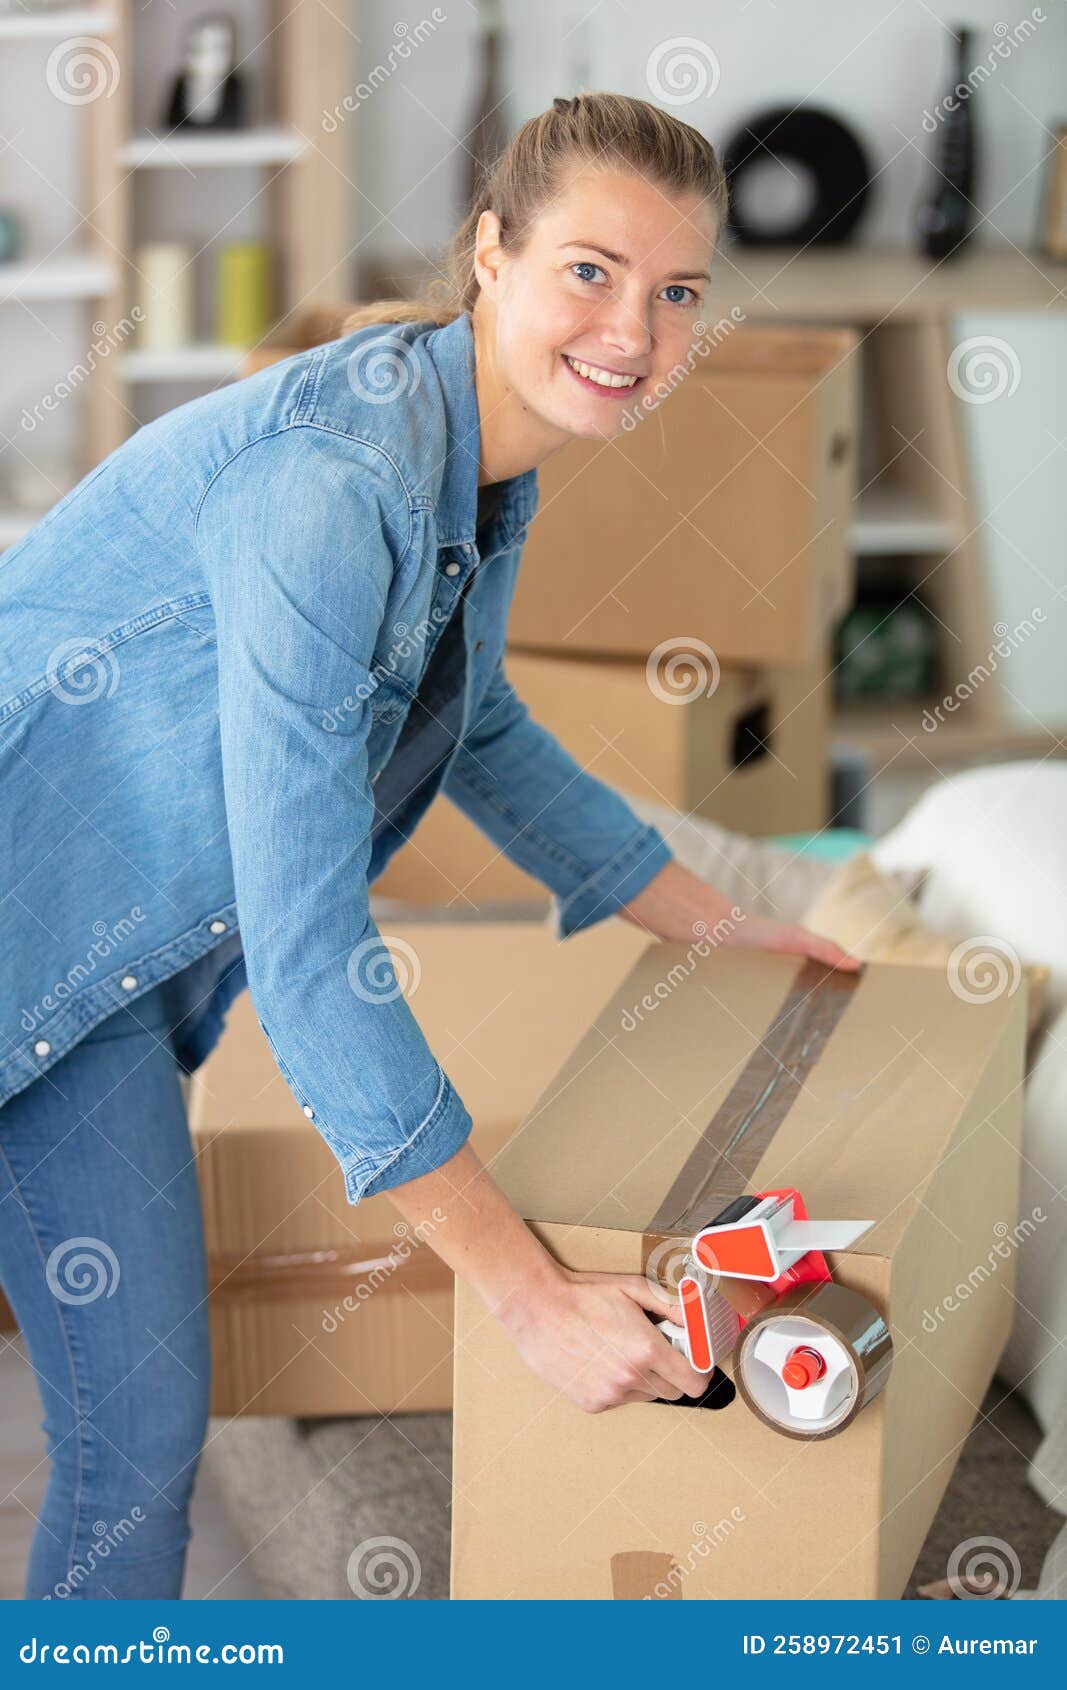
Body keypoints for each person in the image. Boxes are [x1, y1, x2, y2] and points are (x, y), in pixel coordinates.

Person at [0, 91, 857, 1600]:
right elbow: (312, 948)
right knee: (131, 1444)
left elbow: (479, 719)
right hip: (36, 939)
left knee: (135, 1437)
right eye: (590, 271)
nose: (635, 333)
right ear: (490, 252)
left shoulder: (469, 452)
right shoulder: (333, 488)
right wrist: (525, 1293)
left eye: (677, 293)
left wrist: (712, 920)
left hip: (97, 965)